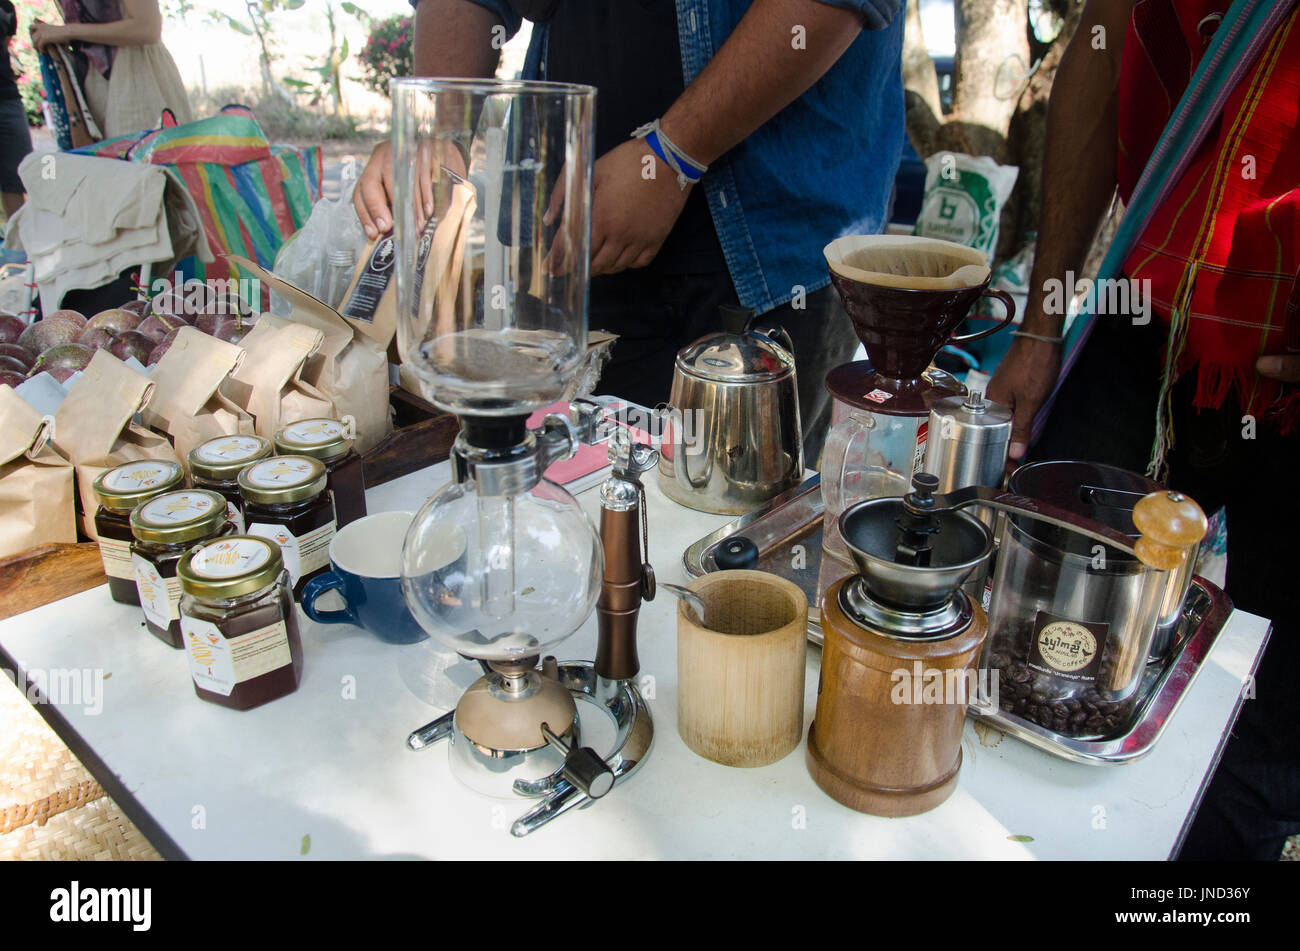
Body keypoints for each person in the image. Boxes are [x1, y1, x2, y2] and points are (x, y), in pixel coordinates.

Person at [988, 0, 1300, 860]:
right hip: (1145, 313)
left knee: (1266, 747)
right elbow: (1103, 34)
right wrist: (1043, 323)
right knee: (1035, 645)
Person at [355, 0, 907, 461]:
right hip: (577, 239)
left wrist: (674, 155)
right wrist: (437, 128)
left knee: (739, 524)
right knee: (584, 486)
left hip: (773, 242)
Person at [30, 0, 192, 139]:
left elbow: (147, 28)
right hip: (94, 85)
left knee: (144, 167)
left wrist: (66, 32)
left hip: (136, 75)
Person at [0, 0, 32, 218]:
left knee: (17, 176)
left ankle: (18, 246)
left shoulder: (5, 8)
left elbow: (6, 44)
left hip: (7, 96)